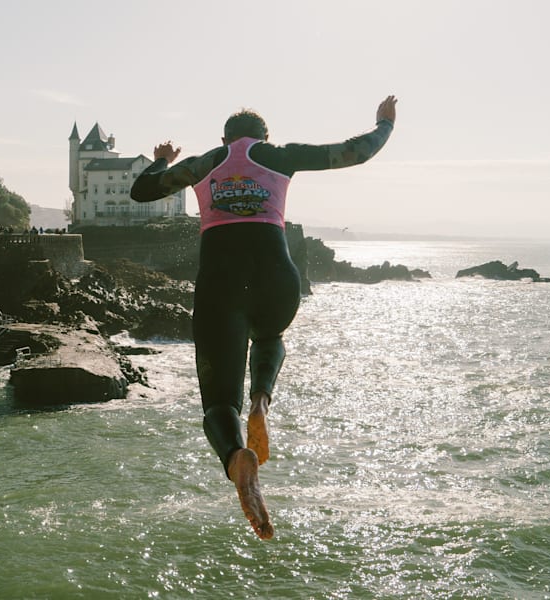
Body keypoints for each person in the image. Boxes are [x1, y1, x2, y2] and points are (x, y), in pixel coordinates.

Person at [130, 95, 398, 540]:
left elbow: (142, 190)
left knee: (218, 404)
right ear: (263, 138)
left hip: (219, 286)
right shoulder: (280, 156)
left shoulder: (203, 163)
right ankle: (262, 401)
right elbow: (356, 151)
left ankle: (236, 455)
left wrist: (160, 161)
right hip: (278, 280)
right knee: (270, 332)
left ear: (225, 139)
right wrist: (384, 124)